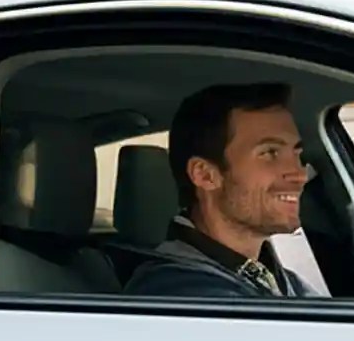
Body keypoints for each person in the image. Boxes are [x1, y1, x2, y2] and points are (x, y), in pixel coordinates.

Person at [124, 82, 321, 298]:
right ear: (205, 175)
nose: (300, 175)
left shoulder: (271, 276)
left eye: (296, 154)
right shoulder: (182, 293)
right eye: (270, 153)